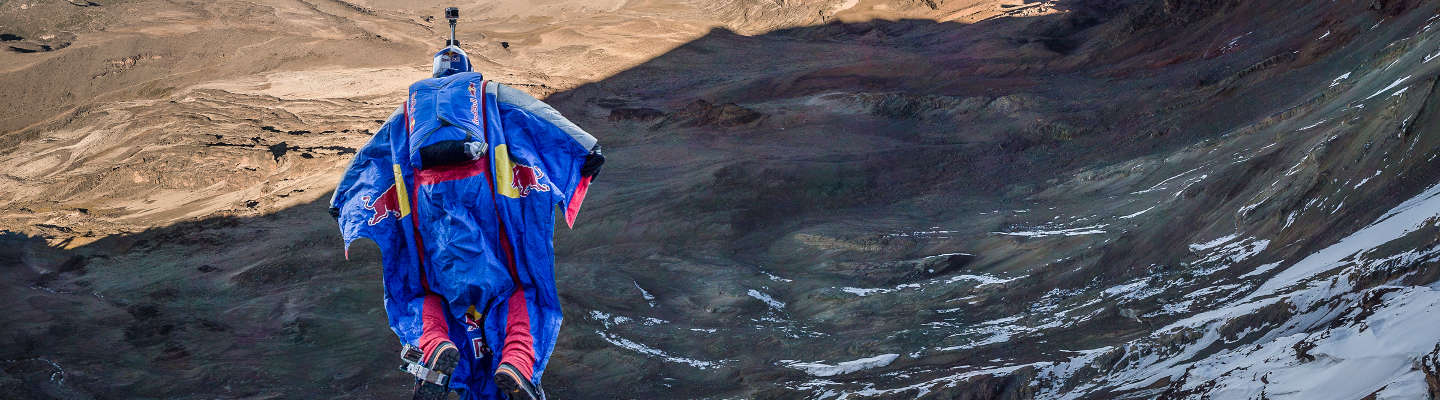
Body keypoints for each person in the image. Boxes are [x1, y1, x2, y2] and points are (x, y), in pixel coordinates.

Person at [331, 31, 603, 400]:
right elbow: (537, 115)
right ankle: (517, 364)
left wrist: (343, 204)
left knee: (421, 292)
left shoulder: (408, 112)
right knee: (522, 291)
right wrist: (586, 151)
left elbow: (369, 159)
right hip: (485, 203)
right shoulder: (489, 94)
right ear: (467, 68)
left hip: (429, 214)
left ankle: (436, 345)